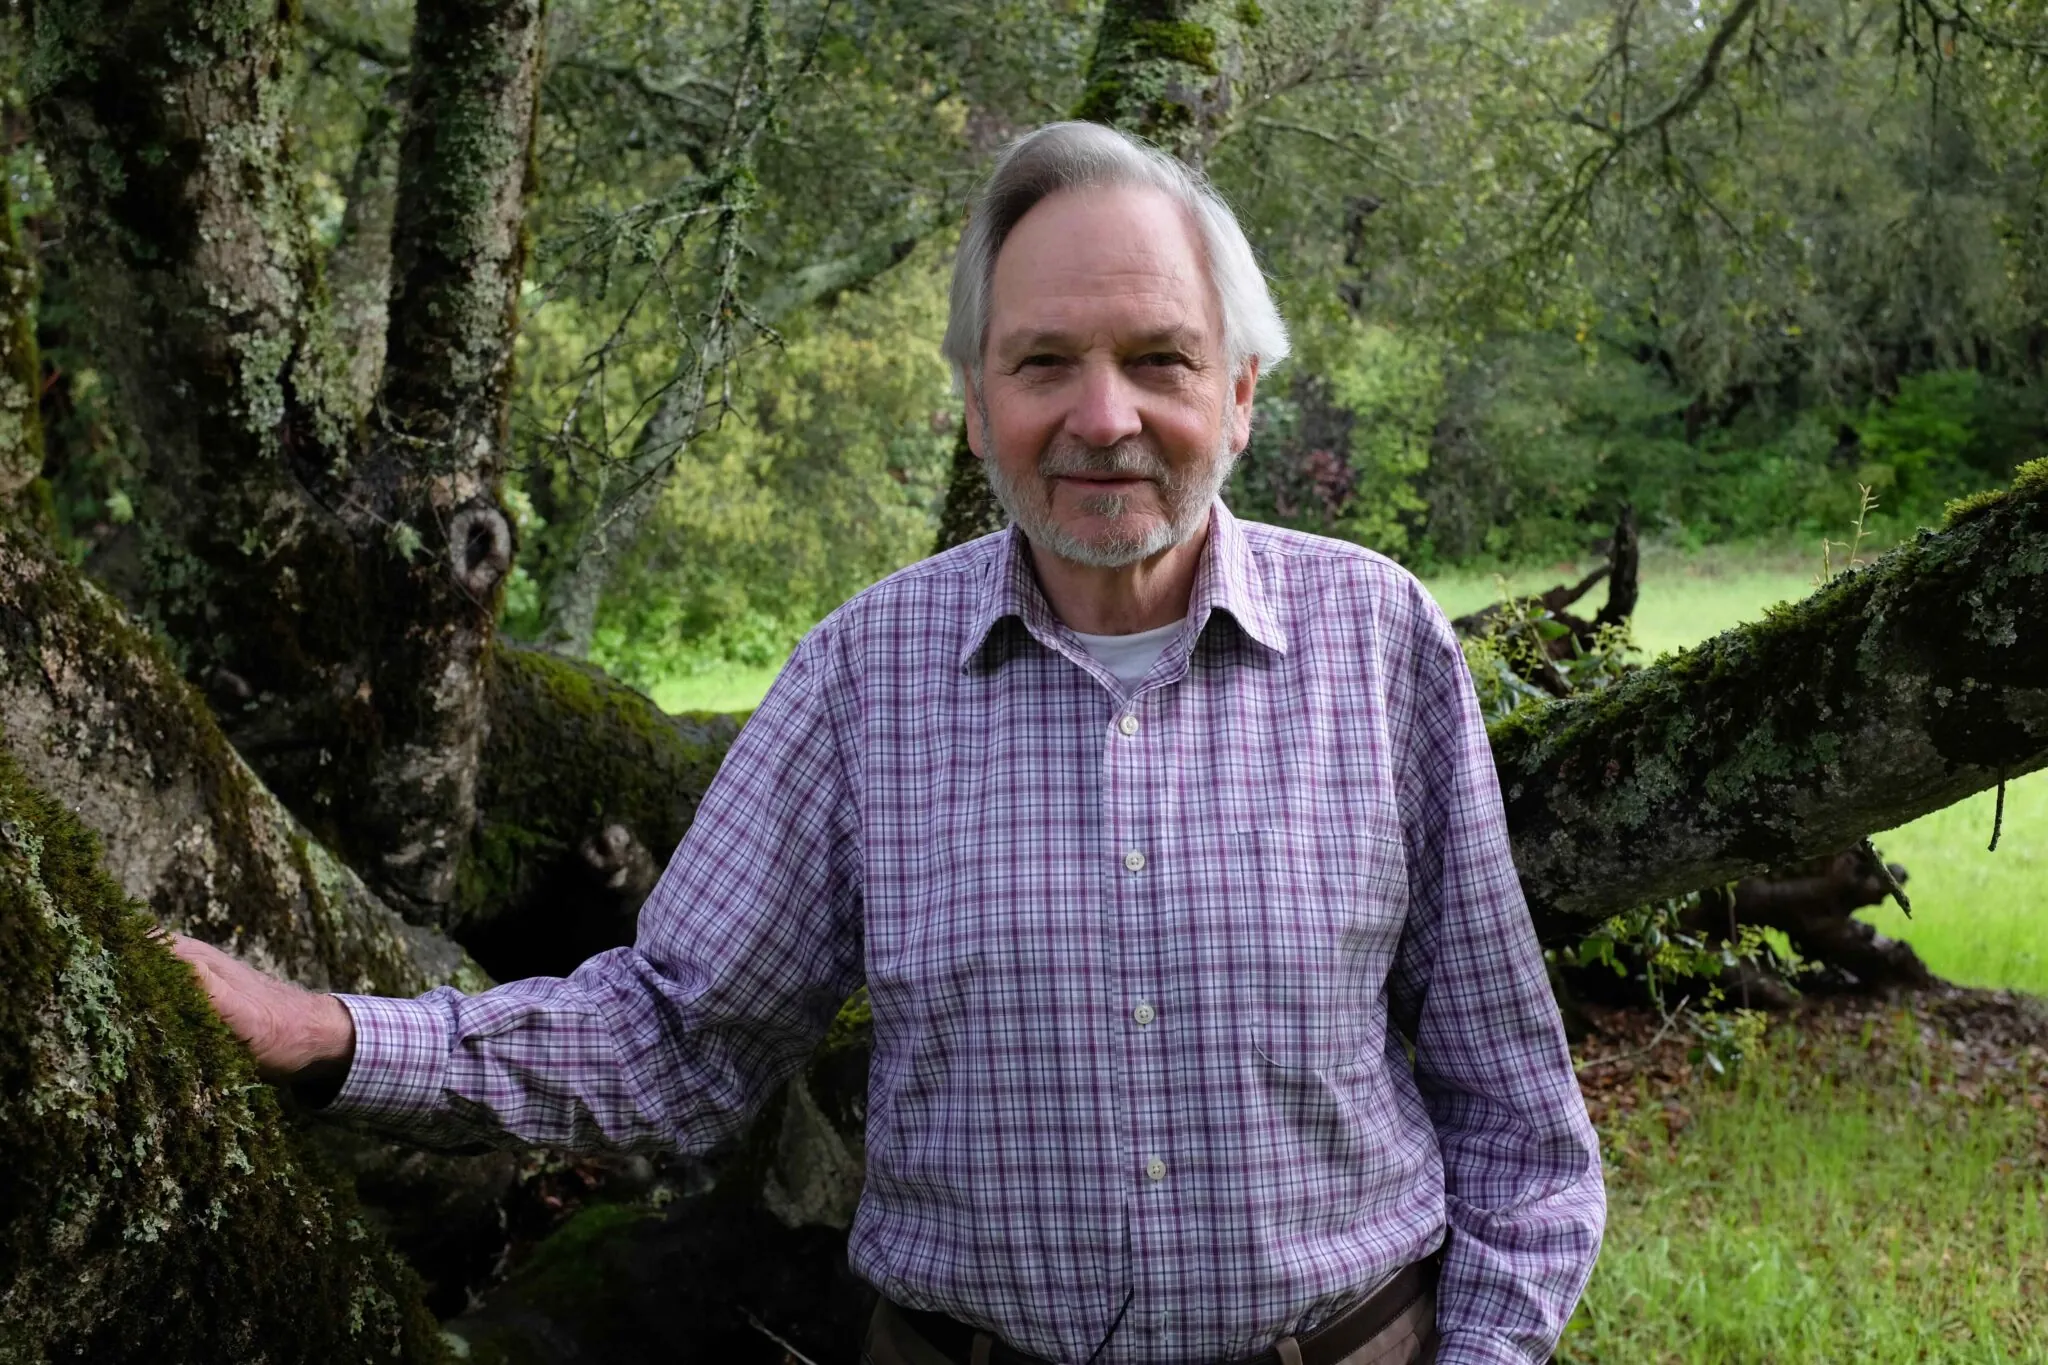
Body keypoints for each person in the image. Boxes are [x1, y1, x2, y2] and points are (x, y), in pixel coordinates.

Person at [174, 120, 1604, 1365]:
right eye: (1044, 362)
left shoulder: (1379, 643)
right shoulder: (864, 678)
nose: (1104, 416)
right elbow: (674, 1035)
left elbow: (1518, 1125)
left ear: (1237, 395)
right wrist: (332, 1035)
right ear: (978, 406)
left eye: (1159, 359)